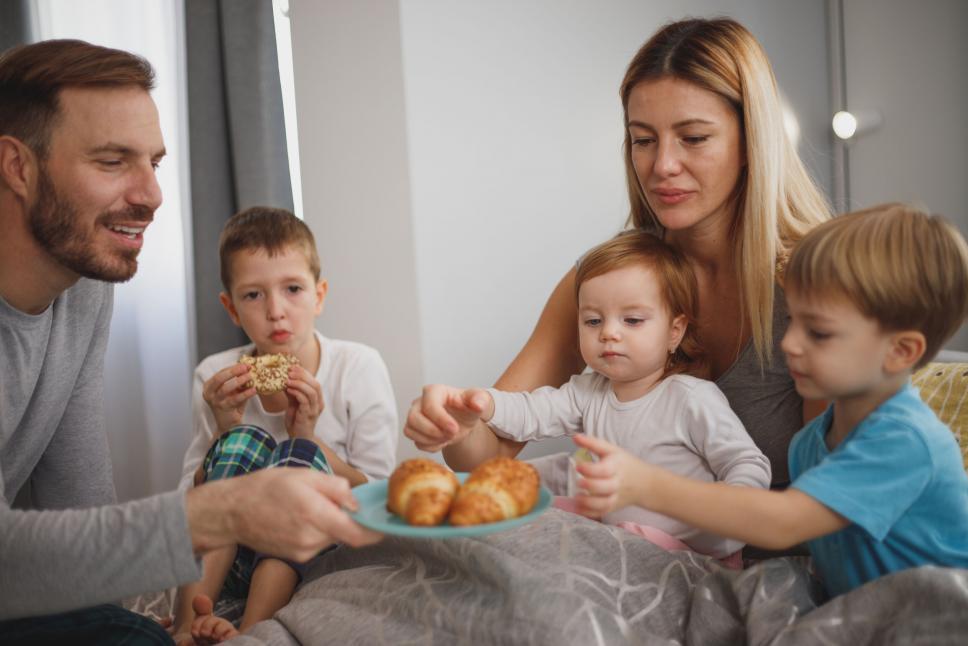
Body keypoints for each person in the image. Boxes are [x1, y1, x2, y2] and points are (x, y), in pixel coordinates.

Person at [0, 39, 379, 644]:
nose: (151, 195)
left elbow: (75, 497)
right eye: (111, 161)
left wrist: (112, 616)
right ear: (18, 167)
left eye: (154, 162)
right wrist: (219, 510)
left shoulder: (85, 288)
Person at [405, 18, 832, 488]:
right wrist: (455, 427)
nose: (662, 165)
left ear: (752, 141)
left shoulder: (814, 285)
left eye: (693, 138)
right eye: (643, 140)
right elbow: (492, 450)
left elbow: (825, 495)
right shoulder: (599, 283)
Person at [571, 204, 968, 599]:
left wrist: (648, 485)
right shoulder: (813, 440)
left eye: (818, 332)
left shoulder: (904, 441)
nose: (789, 343)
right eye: (793, 321)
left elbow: (783, 523)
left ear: (900, 351)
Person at [410, 231, 770, 562]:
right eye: (593, 321)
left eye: (632, 320)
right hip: (621, 542)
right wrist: (484, 404)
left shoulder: (692, 398)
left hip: (695, 554)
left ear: (674, 332)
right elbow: (532, 412)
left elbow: (747, 463)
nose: (609, 334)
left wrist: (732, 514)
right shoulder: (588, 392)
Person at [172, 207, 398, 643]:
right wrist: (223, 430)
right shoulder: (214, 375)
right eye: (253, 295)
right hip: (234, 557)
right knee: (241, 439)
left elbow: (378, 496)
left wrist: (308, 440)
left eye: (293, 289)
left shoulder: (358, 367)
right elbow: (189, 503)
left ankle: (254, 630)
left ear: (319, 294)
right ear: (231, 308)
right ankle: (185, 623)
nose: (276, 311)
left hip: (319, 552)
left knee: (300, 456)